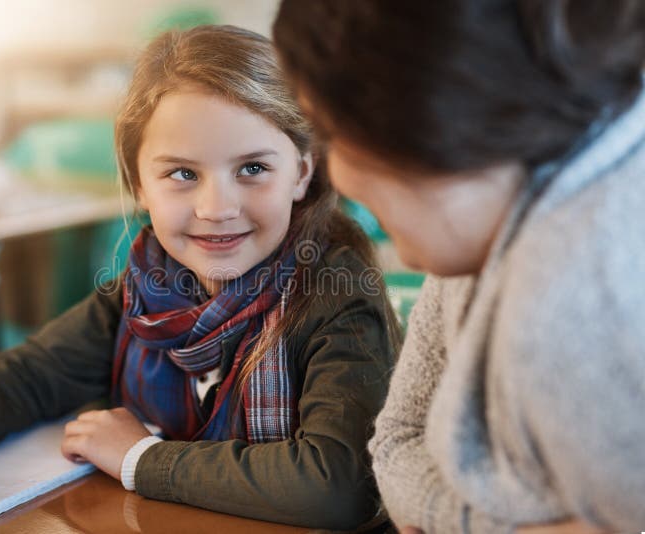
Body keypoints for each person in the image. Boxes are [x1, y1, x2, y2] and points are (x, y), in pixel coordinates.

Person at [0, 25, 401, 530]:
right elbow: (31, 375)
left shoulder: (339, 293)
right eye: (182, 173)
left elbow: (338, 488)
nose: (216, 208)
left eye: (252, 169)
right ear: (139, 184)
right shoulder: (147, 285)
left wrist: (139, 458)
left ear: (303, 172)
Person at [273, 1, 645, 532]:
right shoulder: (484, 237)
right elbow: (398, 438)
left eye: (330, 134)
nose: (335, 175)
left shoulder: (573, 302)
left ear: (425, 121)